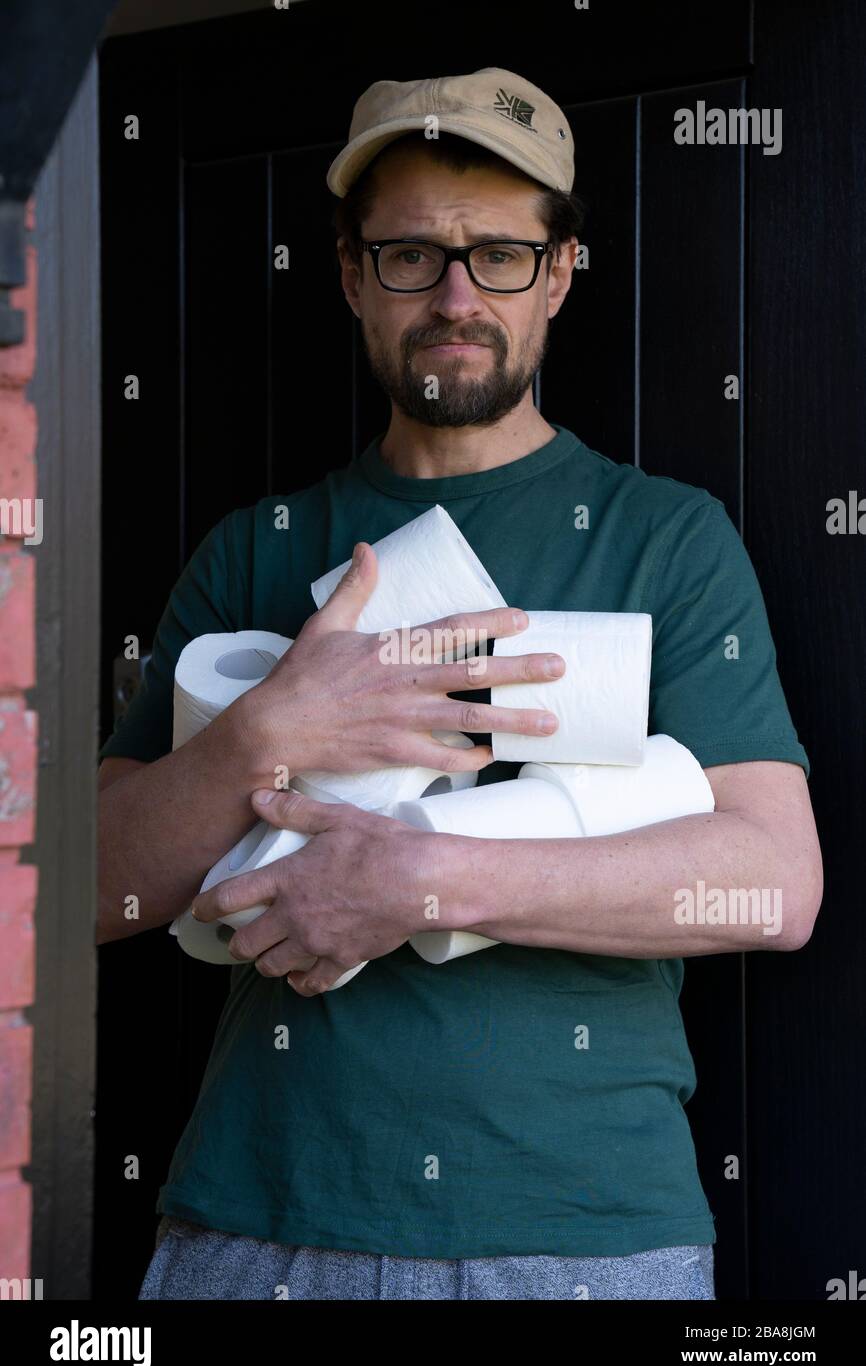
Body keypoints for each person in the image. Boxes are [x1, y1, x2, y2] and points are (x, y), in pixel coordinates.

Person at [97, 67, 822, 1301]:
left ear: (556, 274)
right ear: (347, 274)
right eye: (408, 255)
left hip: (582, 1236)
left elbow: (770, 880)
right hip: (260, 1222)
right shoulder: (254, 549)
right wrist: (263, 734)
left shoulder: (666, 539)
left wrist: (415, 878)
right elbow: (91, 896)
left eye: (495, 254)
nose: (452, 295)